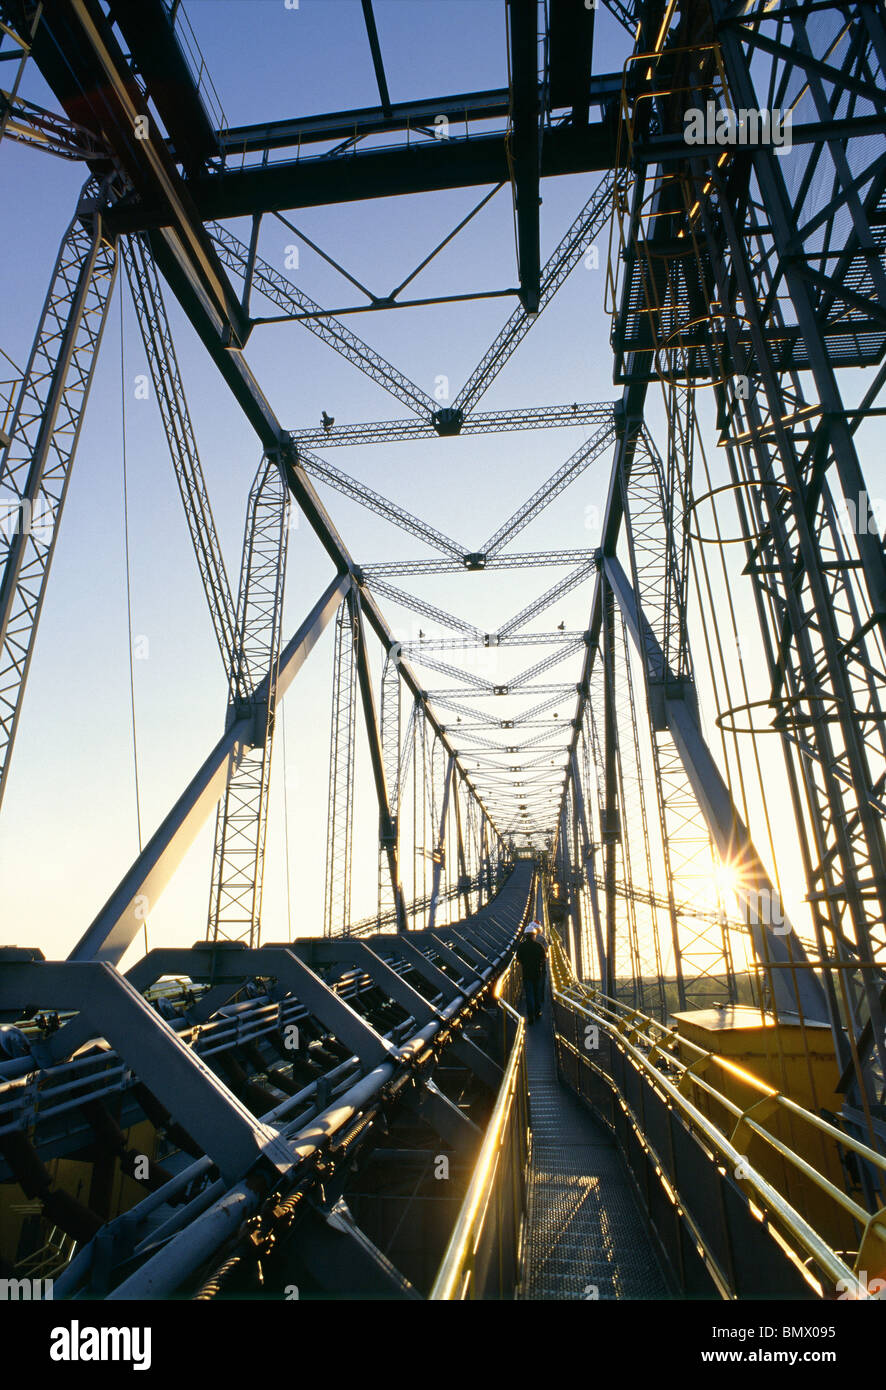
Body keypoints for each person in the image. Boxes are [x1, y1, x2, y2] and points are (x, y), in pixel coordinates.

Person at [516, 924, 547, 1023]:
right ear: (534, 935)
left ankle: (530, 1017)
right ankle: (537, 1012)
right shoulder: (539, 946)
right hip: (537, 973)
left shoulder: (522, 946)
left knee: (529, 995)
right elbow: (544, 957)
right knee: (536, 993)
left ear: (525, 935)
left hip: (526, 974)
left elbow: (518, 958)